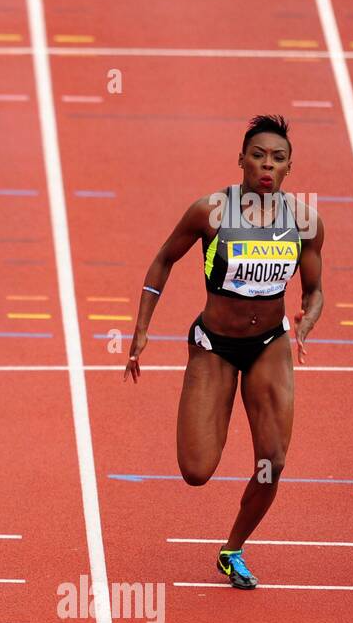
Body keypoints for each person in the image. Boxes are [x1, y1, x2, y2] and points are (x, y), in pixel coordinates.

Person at [125, 115, 325, 589]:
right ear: (241, 159)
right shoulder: (210, 212)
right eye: (258, 155)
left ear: (289, 168)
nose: (266, 165)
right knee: (196, 471)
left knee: (271, 462)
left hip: (269, 345)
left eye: (277, 159)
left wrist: (308, 317)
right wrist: (141, 330)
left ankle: (232, 549)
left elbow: (315, 290)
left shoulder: (305, 222)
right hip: (215, 346)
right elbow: (162, 260)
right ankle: (212, 409)